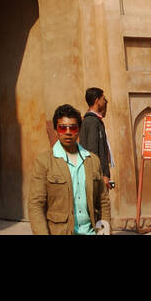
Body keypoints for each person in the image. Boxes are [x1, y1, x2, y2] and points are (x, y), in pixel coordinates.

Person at [28, 104, 108, 236]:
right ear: (55, 130)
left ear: (79, 129)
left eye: (73, 127)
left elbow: (103, 201)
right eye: (62, 128)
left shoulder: (93, 161)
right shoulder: (44, 162)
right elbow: (36, 205)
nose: (68, 132)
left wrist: (104, 232)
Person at [80, 88, 112, 228]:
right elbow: (93, 152)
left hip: (96, 174)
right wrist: (102, 175)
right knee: (100, 212)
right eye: (103, 98)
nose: (105, 101)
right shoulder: (92, 122)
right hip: (96, 176)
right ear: (97, 100)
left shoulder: (95, 121)